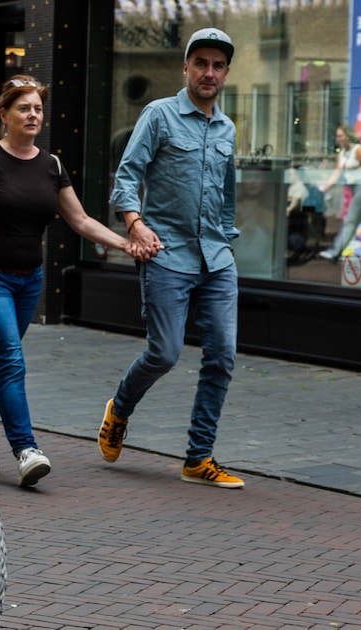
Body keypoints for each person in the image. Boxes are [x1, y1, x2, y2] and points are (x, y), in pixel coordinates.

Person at [0, 76, 149, 488]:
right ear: (4, 115)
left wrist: (124, 244)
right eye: (24, 108)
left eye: (37, 108)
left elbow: (81, 219)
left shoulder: (51, 165)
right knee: (12, 359)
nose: (33, 115)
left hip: (28, 281)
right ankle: (26, 448)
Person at [98, 27, 245, 489]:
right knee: (164, 353)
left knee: (222, 355)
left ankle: (198, 458)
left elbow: (226, 196)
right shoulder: (159, 115)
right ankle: (120, 407)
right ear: (185, 67)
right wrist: (135, 224)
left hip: (217, 260)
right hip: (167, 255)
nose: (209, 72)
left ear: (225, 73)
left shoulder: (227, 128)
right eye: (200, 63)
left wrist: (227, 239)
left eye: (217, 65)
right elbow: (127, 175)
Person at [317, 125, 361, 262]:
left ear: (348, 136)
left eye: (341, 136)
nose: (338, 139)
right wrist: (325, 187)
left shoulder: (359, 150)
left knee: (350, 221)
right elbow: (337, 173)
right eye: (337, 136)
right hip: (354, 189)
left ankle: (334, 251)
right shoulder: (342, 153)